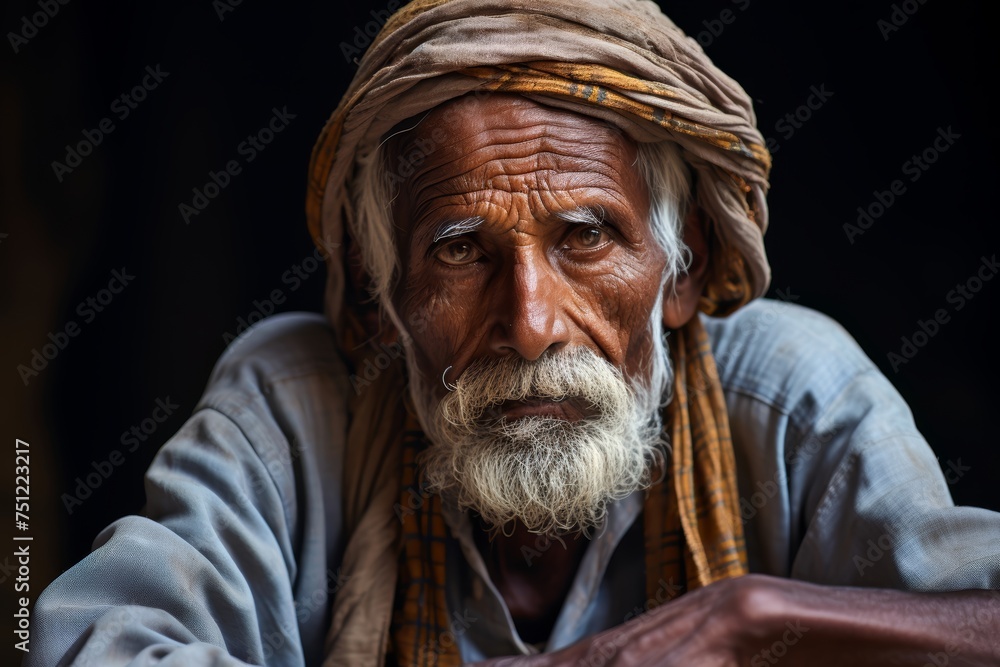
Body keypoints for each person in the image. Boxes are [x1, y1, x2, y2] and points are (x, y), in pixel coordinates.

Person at [27, 0, 1000, 665]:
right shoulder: (298, 405)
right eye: (458, 250)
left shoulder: (787, 390)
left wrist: (748, 620)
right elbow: (96, 644)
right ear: (376, 299)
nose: (529, 326)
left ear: (685, 268)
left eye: (585, 237)